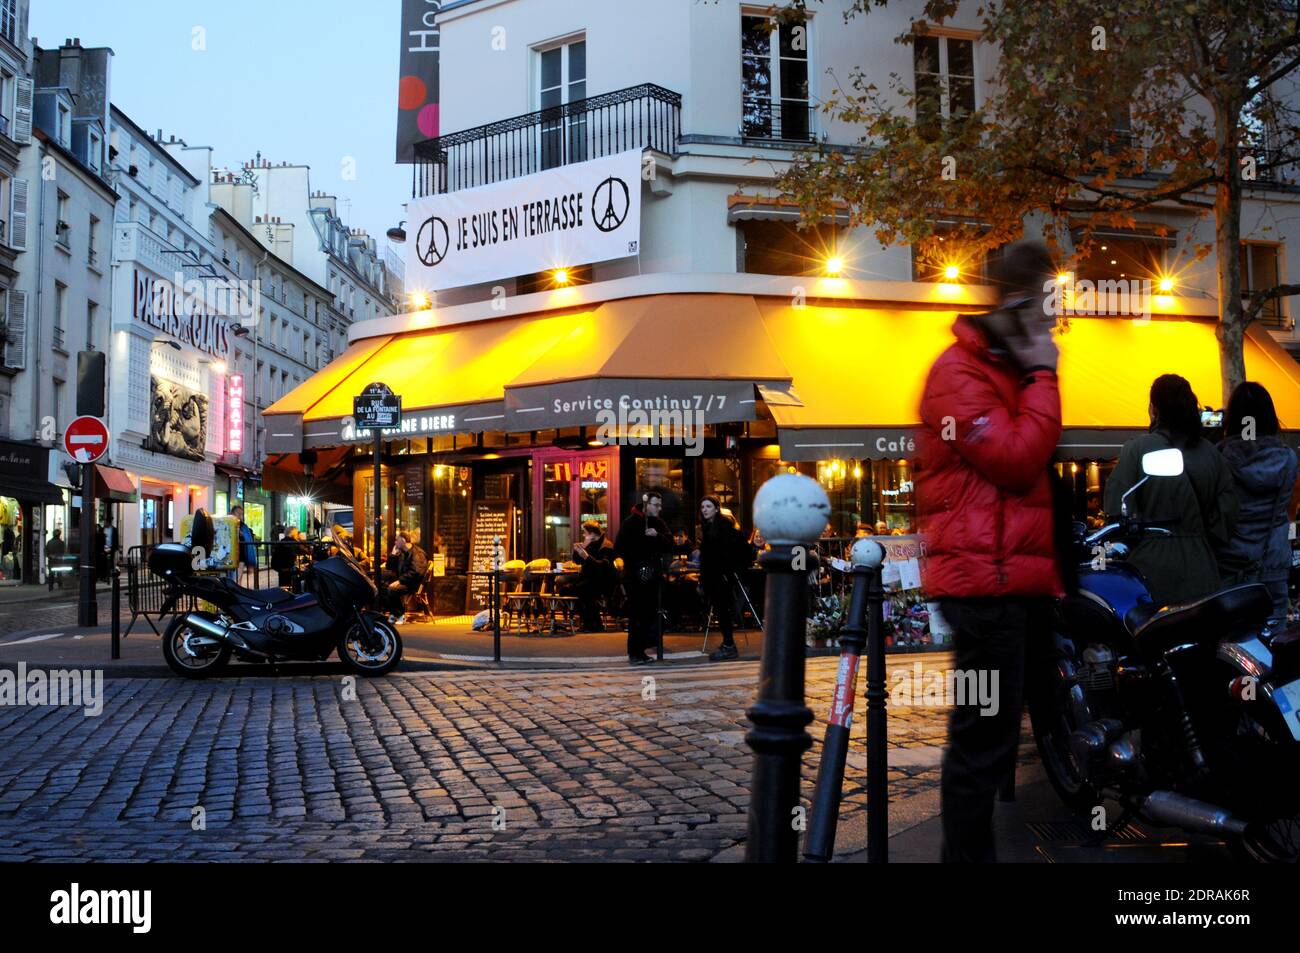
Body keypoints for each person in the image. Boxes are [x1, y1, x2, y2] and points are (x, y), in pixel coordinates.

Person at [917, 240, 1064, 863]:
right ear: (1019, 304)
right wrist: (1042, 374)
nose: (1055, 321)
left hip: (1019, 579)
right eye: (1047, 305)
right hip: (983, 585)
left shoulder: (1000, 369)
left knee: (1021, 729)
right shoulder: (960, 374)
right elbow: (1014, 457)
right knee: (981, 739)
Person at [1104, 374, 1238, 607]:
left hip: (1150, 568)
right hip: (1202, 567)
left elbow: (1117, 509)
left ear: (1154, 409)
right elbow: (1227, 514)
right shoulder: (1211, 453)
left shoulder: (1137, 449)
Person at [1218, 381, 1297, 625]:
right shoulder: (1288, 458)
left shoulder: (1220, 459)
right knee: (1274, 643)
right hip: (1272, 560)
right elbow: (1288, 508)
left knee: (1231, 645)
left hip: (1231, 564)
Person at [615, 490, 673, 664]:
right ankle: (635, 651)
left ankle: (642, 648)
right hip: (635, 575)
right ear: (646, 504)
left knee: (649, 613)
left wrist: (658, 536)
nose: (659, 509)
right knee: (637, 614)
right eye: (656, 505)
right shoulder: (631, 522)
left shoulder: (659, 523)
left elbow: (669, 544)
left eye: (660, 505)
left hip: (653, 575)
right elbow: (620, 547)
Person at [699, 496, 746, 661]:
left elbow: (734, 549)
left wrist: (729, 571)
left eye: (708, 506)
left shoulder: (723, 527)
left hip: (720, 577)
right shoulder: (708, 527)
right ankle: (728, 643)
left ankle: (729, 645)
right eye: (703, 506)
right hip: (714, 577)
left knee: (723, 611)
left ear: (716, 508)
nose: (704, 509)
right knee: (721, 611)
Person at [571, 519, 616, 631]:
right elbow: (577, 561)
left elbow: (603, 567)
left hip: (603, 582)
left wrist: (587, 557)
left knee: (583, 591)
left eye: (585, 532)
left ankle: (592, 624)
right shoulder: (591, 544)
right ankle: (591, 623)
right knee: (567, 590)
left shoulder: (606, 546)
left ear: (591, 534)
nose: (583, 535)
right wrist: (579, 549)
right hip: (590, 580)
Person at [385, 531, 428, 624]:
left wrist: (400, 581)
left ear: (403, 540)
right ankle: (393, 614)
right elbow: (389, 567)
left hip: (413, 583)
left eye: (397, 540)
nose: (395, 542)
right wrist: (393, 554)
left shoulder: (417, 553)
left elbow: (416, 572)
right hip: (405, 581)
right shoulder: (402, 552)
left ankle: (400, 615)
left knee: (392, 590)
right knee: (382, 586)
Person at [230, 505, 258, 585]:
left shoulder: (243, 527)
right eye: (238, 513)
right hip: (228, 557)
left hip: (240, 558)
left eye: (241, 514)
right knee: (231, 580)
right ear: (232, 513)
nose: (240, 516)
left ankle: (235, 596)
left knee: (237, 581)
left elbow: (249, 545)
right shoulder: (227, 523)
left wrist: (251, 563)